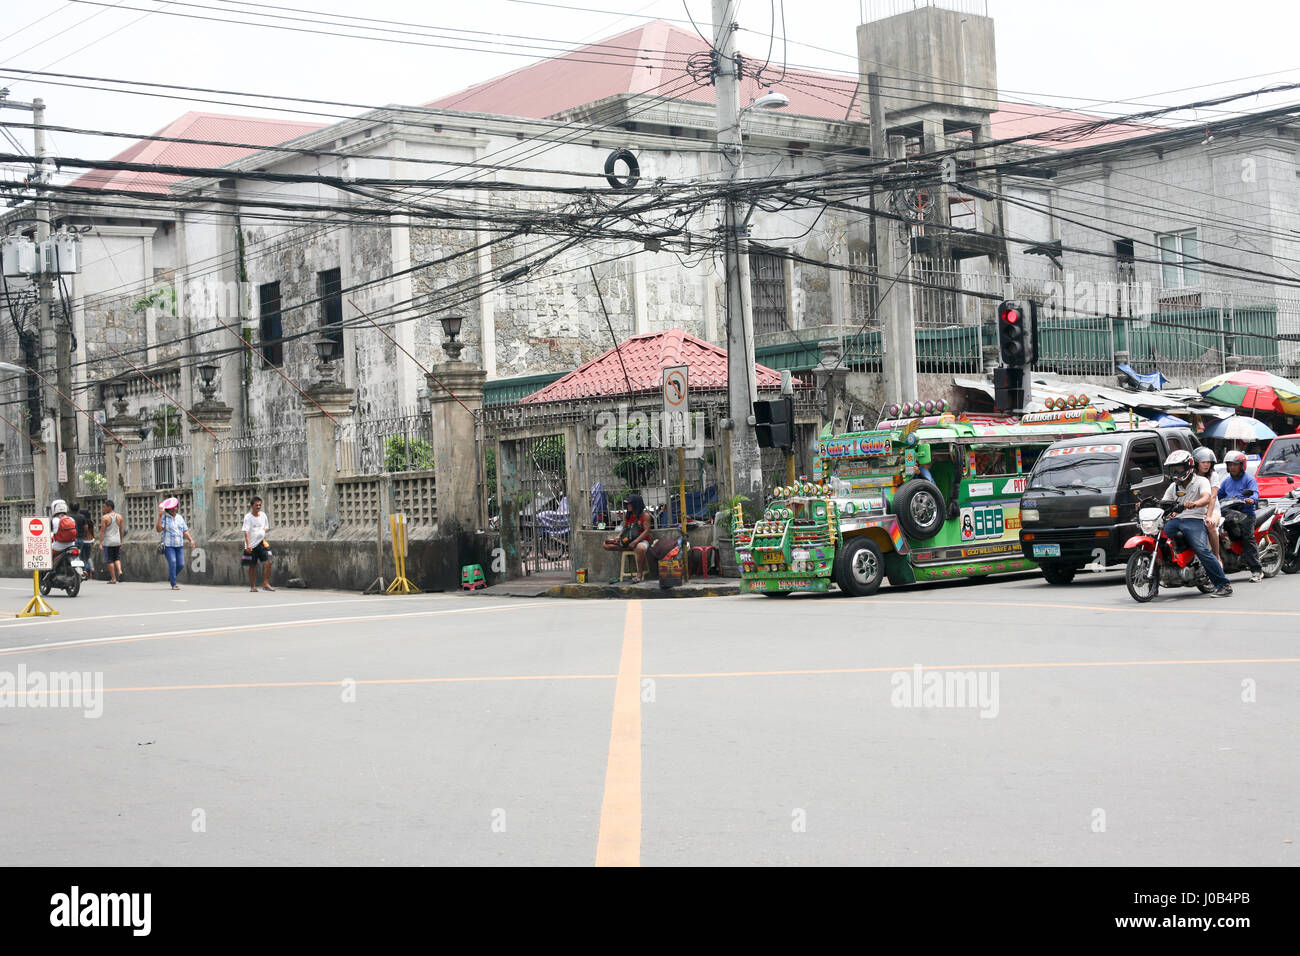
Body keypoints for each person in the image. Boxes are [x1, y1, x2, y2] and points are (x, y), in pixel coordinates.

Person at [1161, 449, 1231, 597]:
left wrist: (1195, 503)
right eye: (1173, 468)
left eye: (1178, 468)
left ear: (1188, 466)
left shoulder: (1202, 481)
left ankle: (1223, 585)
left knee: (1202, 550)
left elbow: (1207, 498)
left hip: (1195, 519)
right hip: (1177, 520)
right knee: (1158, 538)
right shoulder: (1174, 486)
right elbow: (1164, 502)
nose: (1175, 471)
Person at [1219, 449, 1264, 583]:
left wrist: (1251, 499)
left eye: (1235, 464)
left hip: (1246, 514)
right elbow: (1218, 495)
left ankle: (1257, 570)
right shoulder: (1226, 481)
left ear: (1242, 465)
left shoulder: (1249, 479)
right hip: (1229, 514)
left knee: (1247, 538)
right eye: (1230, 465)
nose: (1232, 467)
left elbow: (1255, 493)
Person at [601, 493, 653, 582]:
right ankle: (629, 547)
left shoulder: (645, 515)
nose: (628, 506)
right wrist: (618, 537)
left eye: (629, 504)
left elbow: (646, 531)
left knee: (640, 548)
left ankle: (639, 574)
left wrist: (635, 542)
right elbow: (624, 528)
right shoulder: (628, 515)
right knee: (605, 545)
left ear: (635, 504)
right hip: (628, 540)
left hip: (641, 540)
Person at [155, 496, 196, 590]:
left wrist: (191, 540)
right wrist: (160, 516)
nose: (175, 509)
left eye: (176, 507)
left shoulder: (180, 518)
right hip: (169, 545)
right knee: (173, 562)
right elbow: (158, 529)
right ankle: (174, 584)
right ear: (168, 510)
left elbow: (185, 530)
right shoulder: (165, 518)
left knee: (181, 564)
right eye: (172, 508)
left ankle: (172, 576)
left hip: (179, 545)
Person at [1193, 447, 1222, 563]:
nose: (1206, 465)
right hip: (1196, 509)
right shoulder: (1192, 475)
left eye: (1208, 462)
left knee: (1210, 525)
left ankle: (1217, 557)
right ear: (1196, 463)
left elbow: (1213, 497)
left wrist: (1209, 516)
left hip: (1213, 509)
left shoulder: (1213, 475)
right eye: (1203, 462)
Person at [242, 496, 275, 592]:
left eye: (260, 505)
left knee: (269, 561)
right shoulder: (248, 517)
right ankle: (253, 586)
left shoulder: (263, 515)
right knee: (252, 565)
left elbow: (266, 527)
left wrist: (261, 535)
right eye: (256, 505)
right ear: (252, 506)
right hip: (251, 545)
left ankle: (266, 583)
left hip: (261, 543)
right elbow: (246, 532)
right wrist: (248, 545)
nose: (258, 507)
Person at [99, 499, 124, 584]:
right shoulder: (119, 516)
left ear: (109, 507)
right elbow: (121, 530)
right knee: (117, 558)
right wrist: (121, 541)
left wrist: (100, 543)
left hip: (108, 541)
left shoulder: (105, 518)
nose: (103, 508)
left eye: (105, 507)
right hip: (117, 540)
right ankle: (120, 571)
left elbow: (102, 531)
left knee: (109, 560)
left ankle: (113, 578)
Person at [72, 501, 95, 580]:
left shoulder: (69, 517)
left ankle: (76, 572)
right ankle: (85, 570)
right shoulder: (83, 518)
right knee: (86, 557)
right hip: (83, 539)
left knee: (76, 556)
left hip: (73, 539)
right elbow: (86, 528)